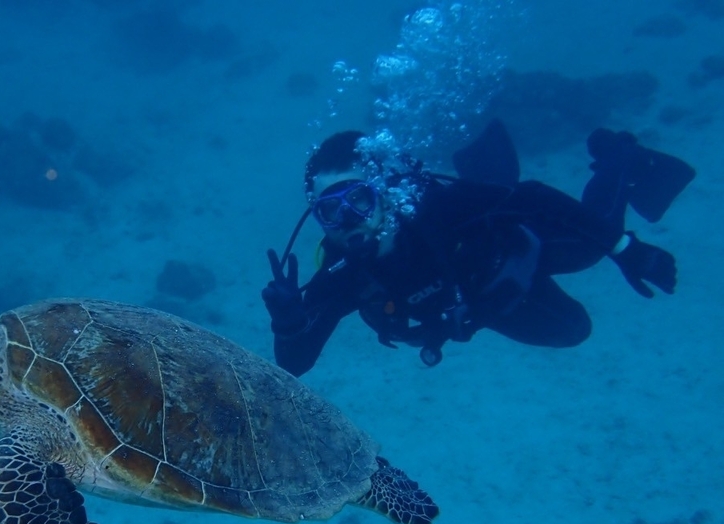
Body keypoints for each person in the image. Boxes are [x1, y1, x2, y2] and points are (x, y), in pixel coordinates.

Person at [261, 119, 696, 374]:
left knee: (590, 247)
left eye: (358, 199)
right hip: (489, 304)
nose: (349, 221)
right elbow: (295, 363)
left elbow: (535, 198)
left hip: (520, 253)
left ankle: (620, 157)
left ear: (386, 193)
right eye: (330, 211)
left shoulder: (440, 208)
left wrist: (626, 250)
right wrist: (288, 323)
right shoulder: (344, 275)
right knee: (574, 330)